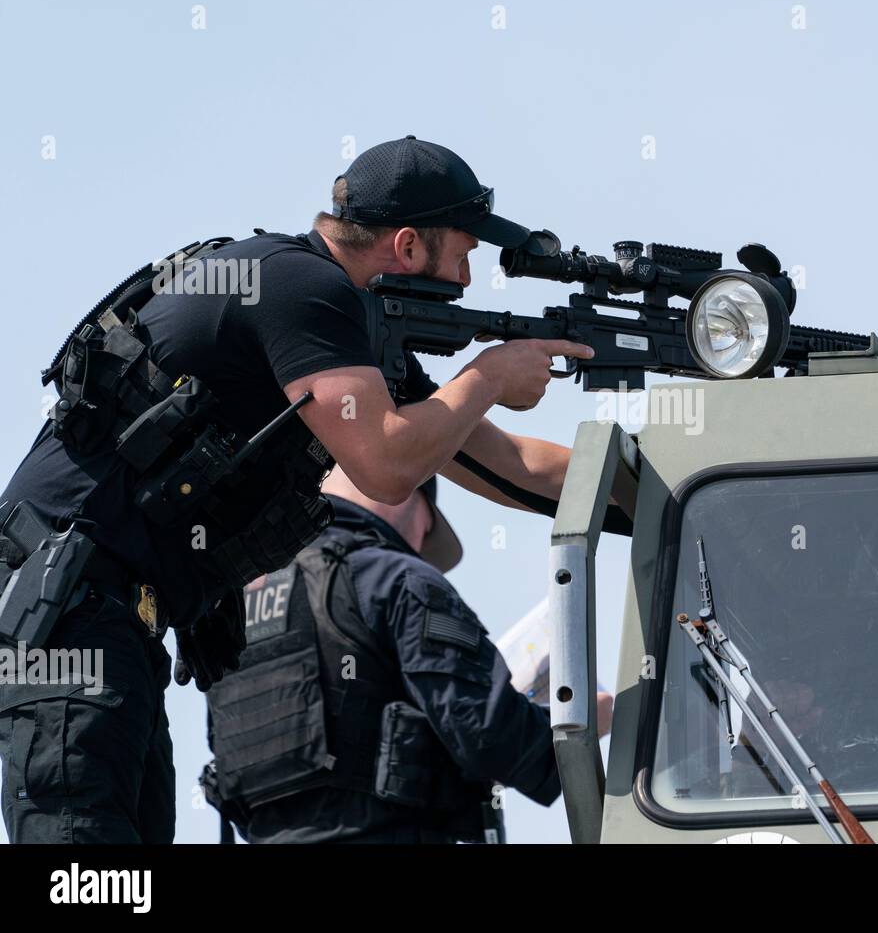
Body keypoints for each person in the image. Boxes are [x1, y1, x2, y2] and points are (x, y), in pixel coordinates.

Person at [0, 136, 613, 843]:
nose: (468, 280)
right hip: (70, 611)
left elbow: (506, 465)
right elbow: (388, 461)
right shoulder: (301, 285)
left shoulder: (339, 328)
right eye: (464, 253)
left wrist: (659, 482)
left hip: (117, 623)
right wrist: (490, 378)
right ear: (408, 246)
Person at [201, 467, 612, 843]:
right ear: (410, 498)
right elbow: (486, 731)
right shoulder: (395, 578)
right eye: (427, 530)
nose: (419, 547)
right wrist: (582, 723)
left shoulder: (234, 603)